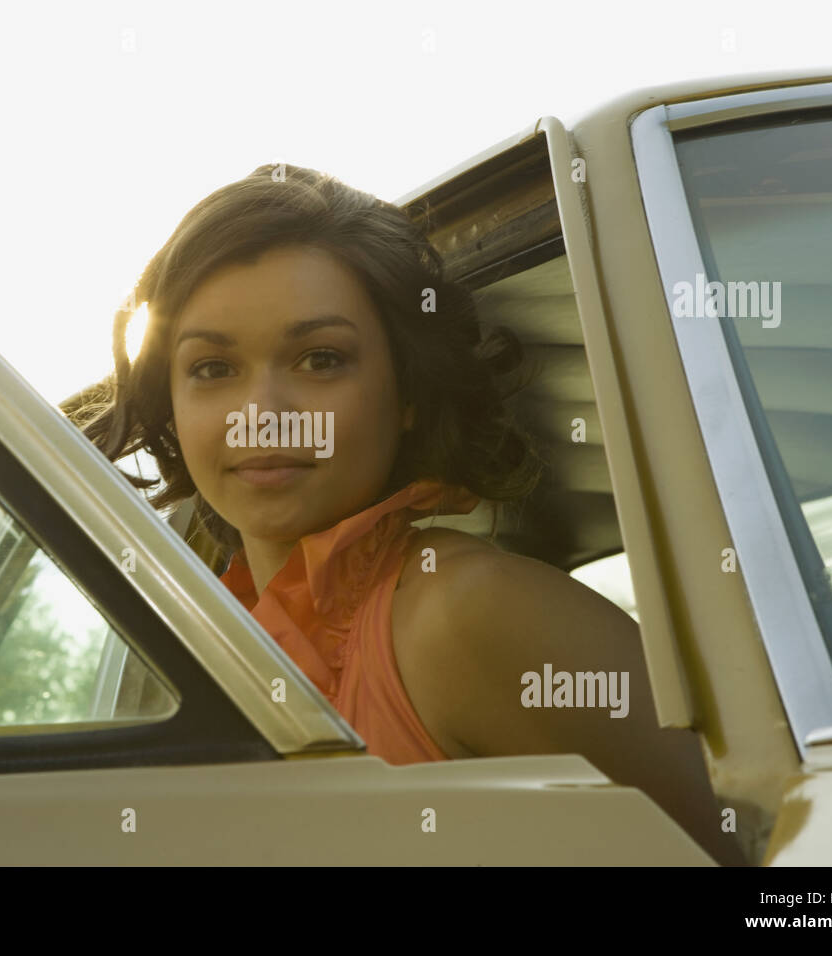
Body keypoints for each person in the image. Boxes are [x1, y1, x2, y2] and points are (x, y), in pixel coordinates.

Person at [67, 163, 744, 866]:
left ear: (408, 392)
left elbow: (778, 871)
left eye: (320, 359)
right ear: (172, 403)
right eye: (212, 368)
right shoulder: (219, 649)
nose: (262, 418)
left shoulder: (465, 614)